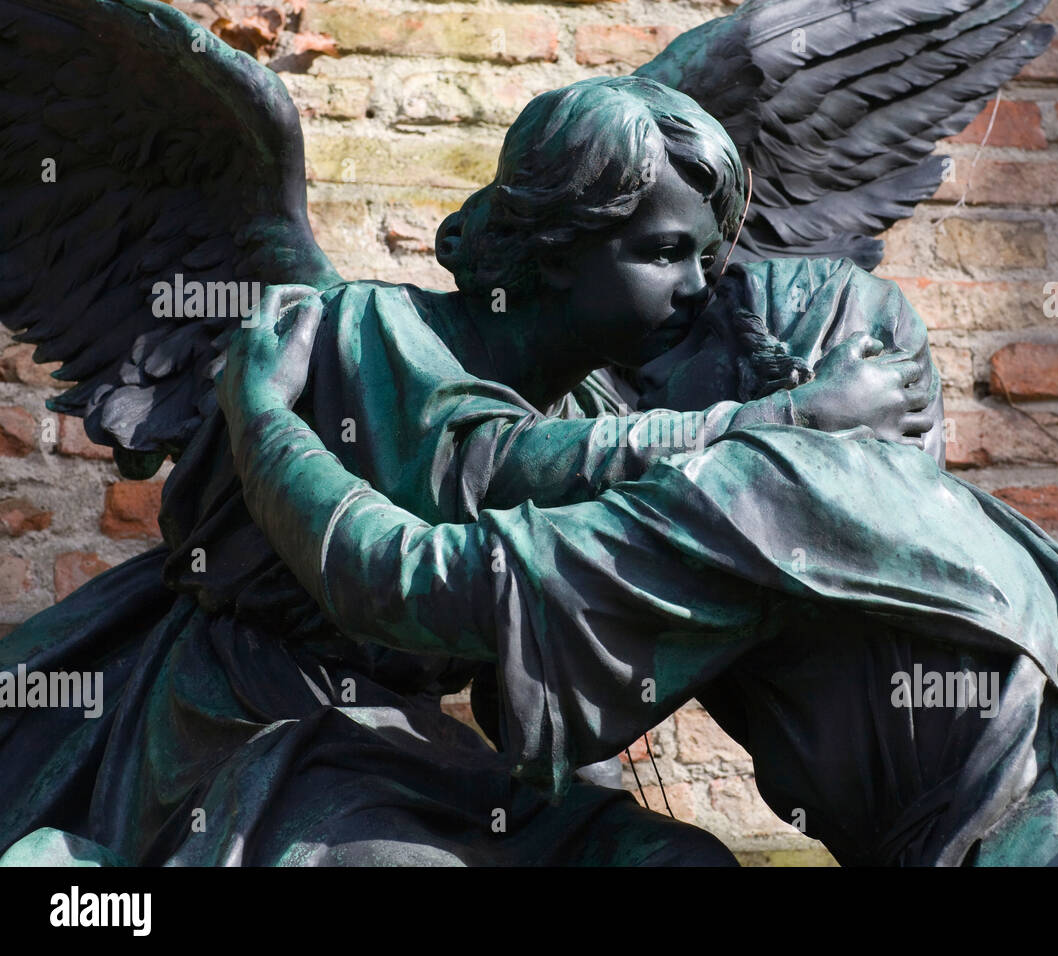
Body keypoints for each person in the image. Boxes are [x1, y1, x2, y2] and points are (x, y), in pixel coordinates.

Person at [0, 76, 932, 866]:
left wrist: (589, 815)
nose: (698, 288)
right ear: (561, 246)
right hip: (244, 730)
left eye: (702, 254)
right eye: (663, 252)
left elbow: (534, 634)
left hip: (399, 745)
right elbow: (485, 472)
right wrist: (775, 422)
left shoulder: (589, 413)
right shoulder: (364, 330)